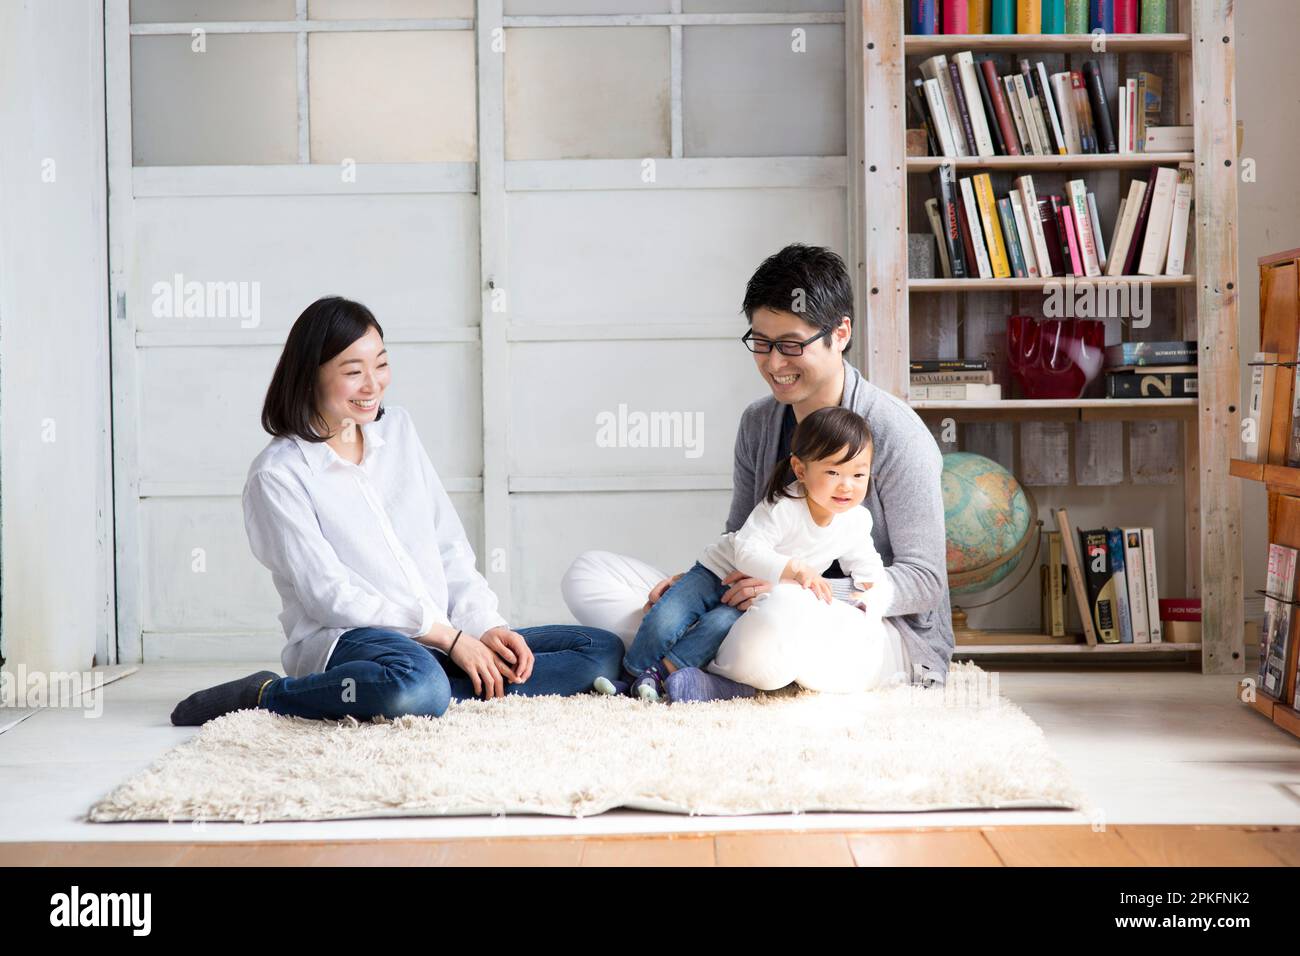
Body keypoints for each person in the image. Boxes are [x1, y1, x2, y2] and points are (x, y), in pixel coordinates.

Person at [170, 296, 623, 726]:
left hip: (440, 638)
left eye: (381, 364)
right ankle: (268, 693)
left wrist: (484, 626)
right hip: (352, 638)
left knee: (599, 650)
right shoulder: (278, 473)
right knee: (416, 687)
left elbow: (448, 546)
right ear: (310, 376)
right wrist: (449, 638)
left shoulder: (398, 430)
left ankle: (436, 688)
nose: (373, 385)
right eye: (354, 371)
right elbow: (330, 597)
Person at [562, 244, 954, 700]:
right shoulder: (759, 422)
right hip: (757, 612)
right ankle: (693, 666)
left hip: (871, 629)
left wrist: (801, 586)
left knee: (778, 616)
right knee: (588, 573)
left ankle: (690, 662)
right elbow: (742, 537)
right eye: (761, 343)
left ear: (841, 333)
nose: (773, 363)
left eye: (791, 345)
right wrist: (695, 590)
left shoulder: (896, 433)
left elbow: (925, 582)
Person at [599, 407, 891, 703]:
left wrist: (869, 600)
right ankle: (630, 675)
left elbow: (869, 570)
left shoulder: (856, 521)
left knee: (717, 628)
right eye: (832, 472)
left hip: (752, 595)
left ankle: (658, 675)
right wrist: (795, 569)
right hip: (716, 573)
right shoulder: (784, 507)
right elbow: (747, 554)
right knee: (666, 618)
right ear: (801, 470)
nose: (846, 486)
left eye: (858, 474)